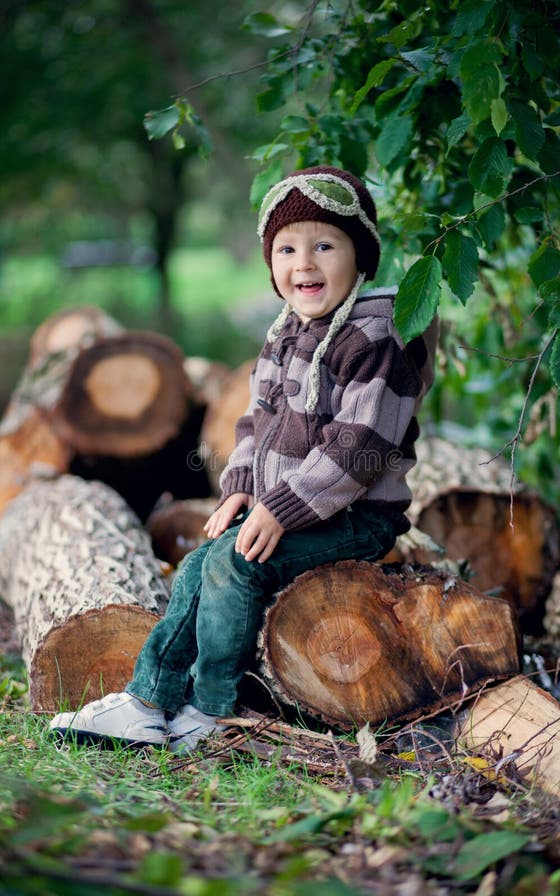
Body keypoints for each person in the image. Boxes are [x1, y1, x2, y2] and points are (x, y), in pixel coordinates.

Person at [49, 165, 437, 753]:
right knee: (205, 559)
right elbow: (256, 424)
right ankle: (148, 699)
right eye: (286, 248)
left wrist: (279, 510)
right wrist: (241, 487)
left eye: (324, 245)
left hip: (356, 518)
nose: (303, 263)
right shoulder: (286, 333)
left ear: (361, 256)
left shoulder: (378, 339)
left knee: (237, 566)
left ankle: (213, 710)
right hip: (292, 509)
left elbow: (359, 447)